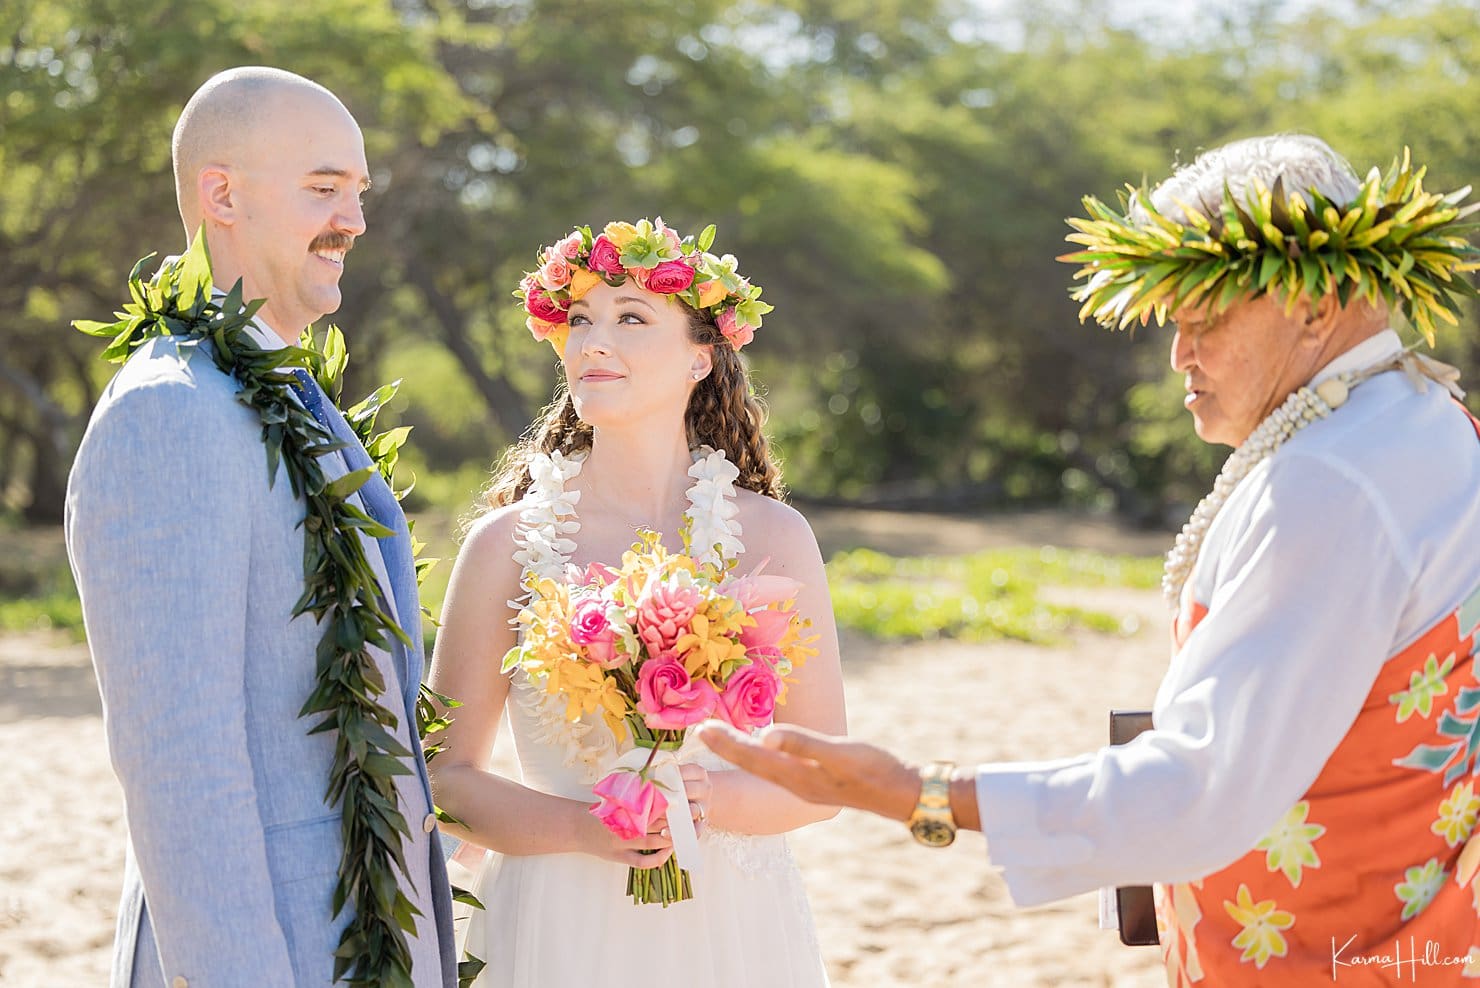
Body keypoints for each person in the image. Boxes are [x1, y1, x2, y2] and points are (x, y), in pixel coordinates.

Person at [702, 134, 1480, 984]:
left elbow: (1204, 789)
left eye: (1204, 321)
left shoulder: (1331, 478)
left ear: (1316, 305)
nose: (1181, 356)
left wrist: (917, 792)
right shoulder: (1422, 420)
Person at [66, 67, 457, 986]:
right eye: (324, 188)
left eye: (358, 192)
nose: (354, 220)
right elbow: (179, 766)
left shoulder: (298, 400)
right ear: (222, 195)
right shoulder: (169, 413)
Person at [427, 219, 846, 986]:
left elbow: (823, 779)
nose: (593, 340)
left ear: (701, 356)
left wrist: (706, 796)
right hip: (554, 916)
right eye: (580, 319)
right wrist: (586, 829)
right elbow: (444, 778)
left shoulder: (774, 537)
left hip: (731, 928)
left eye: (630, 318)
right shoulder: (503, 546)